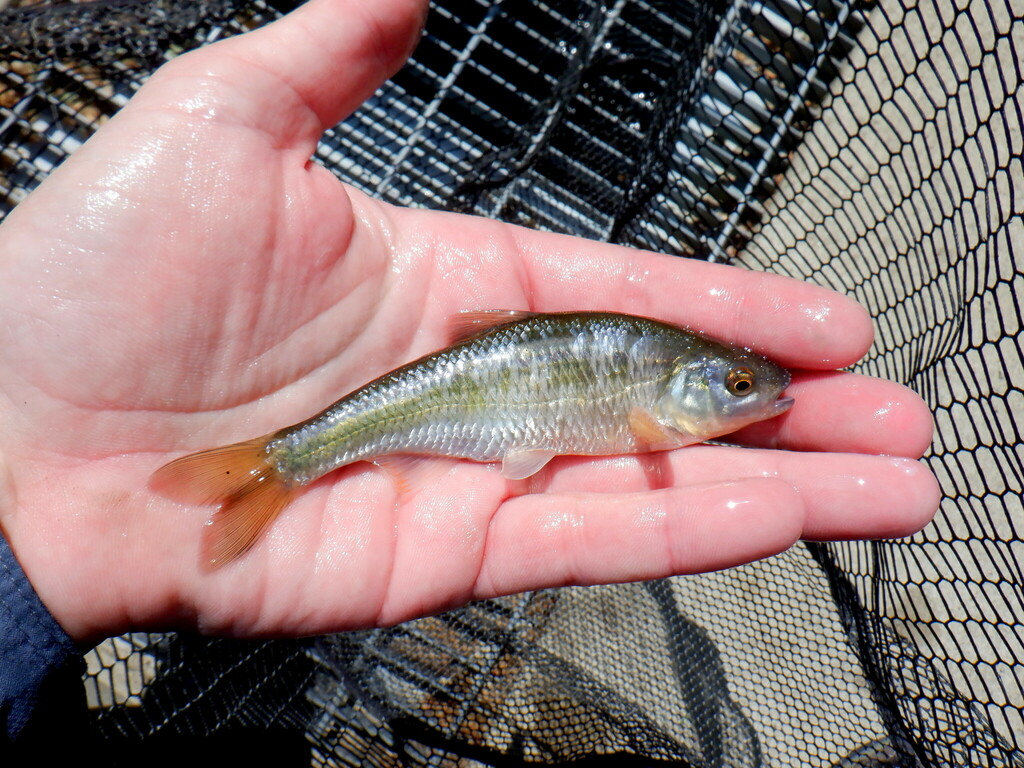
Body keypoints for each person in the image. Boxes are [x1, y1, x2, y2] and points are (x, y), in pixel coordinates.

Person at [0, 0, 939, 742]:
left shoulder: (662, 389)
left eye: (741, 389)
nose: (758, 398)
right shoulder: (653, 390)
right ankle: (285, 460)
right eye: (737, 386)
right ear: (685, 385)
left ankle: (283, 463)